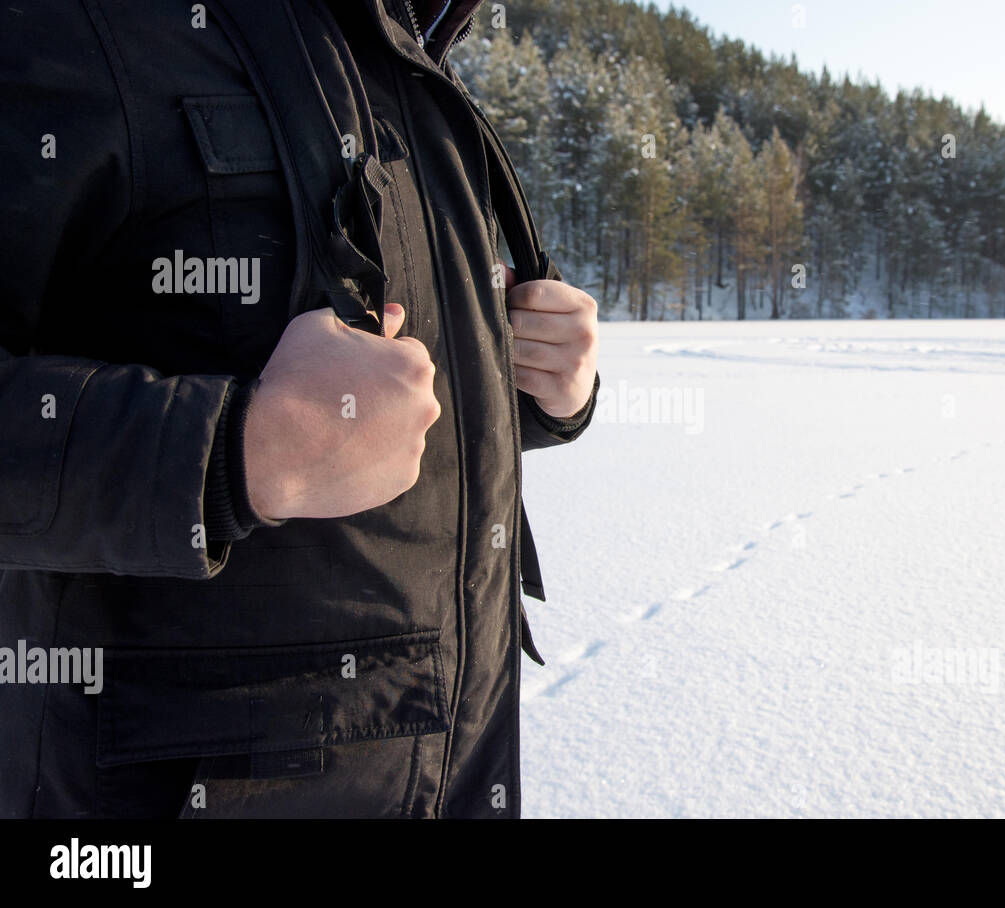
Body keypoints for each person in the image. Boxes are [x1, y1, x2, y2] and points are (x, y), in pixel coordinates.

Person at [0, 0, 599, 819]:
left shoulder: (418, 66)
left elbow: (392, 399)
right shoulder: (80, 26)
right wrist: (229, 456)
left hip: (450, 760)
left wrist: (539, 389)